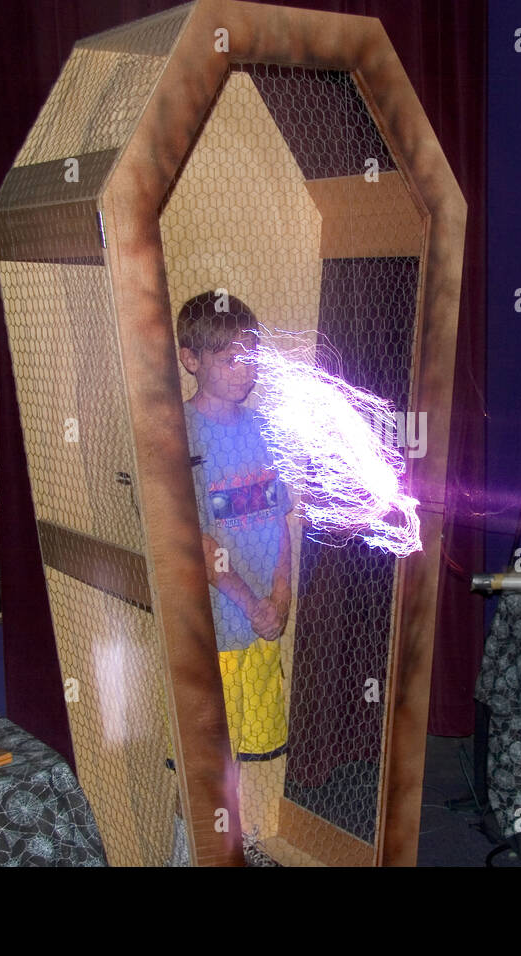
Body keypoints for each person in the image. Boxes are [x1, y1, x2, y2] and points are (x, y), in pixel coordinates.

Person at [178, 291, 292, 762]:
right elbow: (195, 542)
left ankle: (237, 838)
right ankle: (203, 840)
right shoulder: (178, 434)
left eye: (250, 358)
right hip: (215, 631)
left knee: (245, 753)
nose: (244, 370)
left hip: (260, 623)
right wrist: (250, 604)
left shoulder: (263, 428)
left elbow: (279, 521)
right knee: (208, 761)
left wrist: (280, 600)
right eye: (228, 359)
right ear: (191, 360)